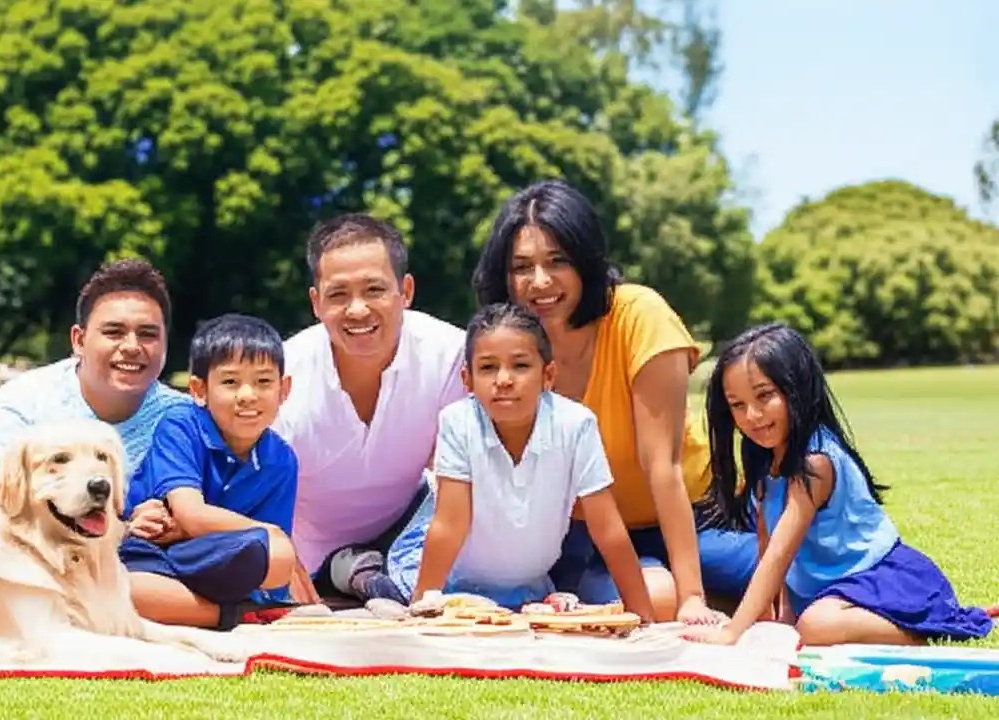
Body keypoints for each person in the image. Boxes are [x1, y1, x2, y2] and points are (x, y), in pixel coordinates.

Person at [471, 179, 753, 623]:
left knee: (798, 576)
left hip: (700, 516)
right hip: (597, 536)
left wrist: (694, 597)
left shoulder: (639, 314)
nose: (539, 282)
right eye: (521, 267)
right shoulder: (508, 349)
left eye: (557, 261)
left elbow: (664, 468)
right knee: (655, 602)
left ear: (586, 261)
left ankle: (727, 600)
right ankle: (733, 606)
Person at [689, 322, 994, 646]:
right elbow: (768, 544)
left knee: (816, 627)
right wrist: (776, 615)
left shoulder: (815, 463)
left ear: (796, 390)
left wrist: (732, 633)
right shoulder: (762, 456)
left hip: (883, 582)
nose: (752, 415)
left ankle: (921, 631)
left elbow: (780, 553)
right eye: (737, 404)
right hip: (831, 592)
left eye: (765, 396)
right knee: (789, 620)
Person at [381, 303, 654, 621]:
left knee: (516, 615)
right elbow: (449, 525)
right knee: (403, 599)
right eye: (488, 368)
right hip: (445, 571)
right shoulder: (458, 421)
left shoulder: (576, 425)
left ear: (548, 375)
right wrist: (423, 606)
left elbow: (607, 528)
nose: (504, 379)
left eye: (521, 366)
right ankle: (363, 574)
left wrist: (643, 617)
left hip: (526, 583)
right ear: (467, 380)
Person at [272, 213, 468, 600]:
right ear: (316, 302)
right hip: (303, 551)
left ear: (406, 291)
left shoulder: (450, 354)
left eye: (374, 290)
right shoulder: (281, 372)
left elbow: (457, 478)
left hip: (408, 527)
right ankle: (351, 571)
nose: (358, 310)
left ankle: (372, 572)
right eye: (339, 294)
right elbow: (255, 483)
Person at [0, 258, 189, 527]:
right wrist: (124, 530)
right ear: (79, 341)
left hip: (116, 565)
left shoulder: (184, 418)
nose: (131, 346)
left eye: (148, 334)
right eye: (114, 332)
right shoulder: (24, 403)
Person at [119, 314, 302, 630]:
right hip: (149, 550)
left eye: (263, 382)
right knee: (126, 589)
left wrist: (265, 537)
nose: (248, 395)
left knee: (280, 557)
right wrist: (265, 532)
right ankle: (229, 615)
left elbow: (269, 548)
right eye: (230, 382)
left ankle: (188, 607)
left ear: (283, 389)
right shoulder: (181, 425)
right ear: (199, 389)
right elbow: (190, 512)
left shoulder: (282, 459)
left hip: (214, 559)